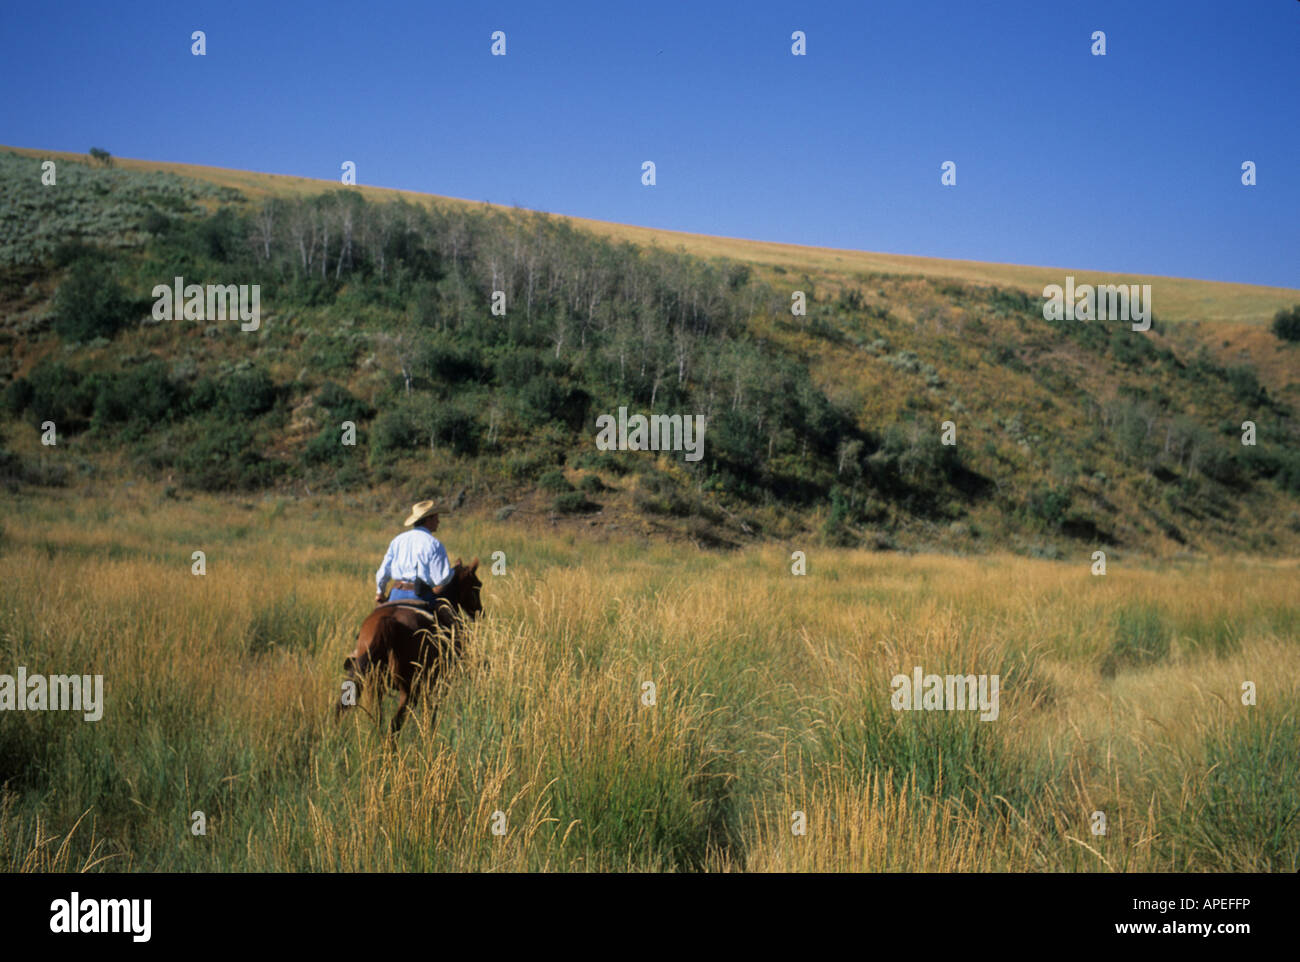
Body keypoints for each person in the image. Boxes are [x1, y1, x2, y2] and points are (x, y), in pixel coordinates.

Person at [375, 500, 454, 607]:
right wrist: (453, 572)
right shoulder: (434, 544)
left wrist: (380, 592)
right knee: (449, 620)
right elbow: (441, 579)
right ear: (428, 519)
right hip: (420, 595)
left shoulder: (397, 540)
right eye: (436, 517)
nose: (438, 521)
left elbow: (383, 571)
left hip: (396, 594)